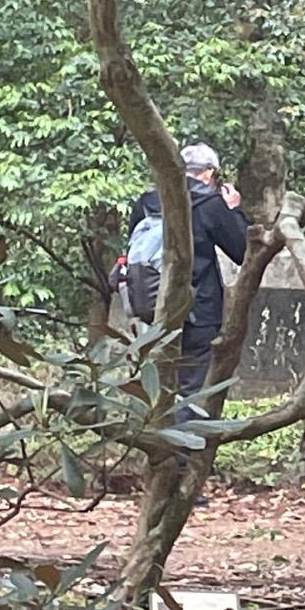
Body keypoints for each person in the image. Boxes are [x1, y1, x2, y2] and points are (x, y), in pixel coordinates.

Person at [126, 142, 248, 418]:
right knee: (192, 387)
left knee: (158, 381)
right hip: (198, 310)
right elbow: (242, 251)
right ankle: (182, 458)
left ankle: (157, 446)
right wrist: (233, 210)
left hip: (152, 307)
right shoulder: (210, 203)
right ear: (208, 173)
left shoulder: (147, 201)